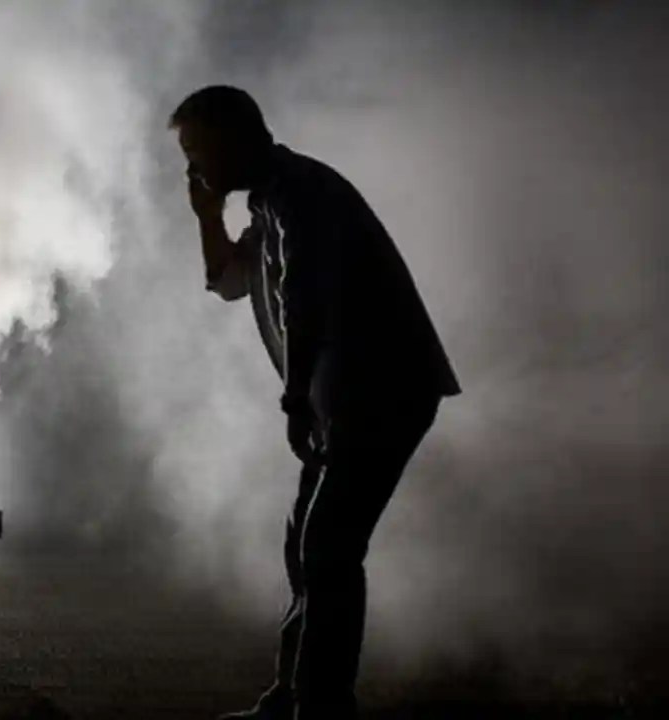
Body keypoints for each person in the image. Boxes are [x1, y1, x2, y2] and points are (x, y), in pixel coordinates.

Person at [169, 86, 461, 719]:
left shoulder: (304, 194)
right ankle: (295, 698)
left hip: (383, 391)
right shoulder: (269, 204)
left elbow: (306, 303)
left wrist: (296, 401)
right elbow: (225, 284)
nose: (194, 169)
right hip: (342, 402)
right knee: (308, 540)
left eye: (197, 152)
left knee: (327, 547)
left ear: (234, 138)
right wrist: (205, 215)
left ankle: (321, 708)